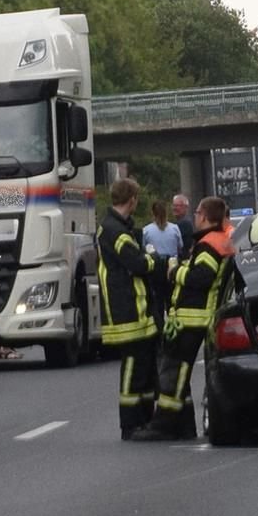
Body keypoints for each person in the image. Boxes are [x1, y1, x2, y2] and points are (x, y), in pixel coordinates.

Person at [131, 196, 234, 441]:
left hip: (193, 317)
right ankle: (185, 426)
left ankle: (164, 424)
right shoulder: (219, 241)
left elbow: (202, 277)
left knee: (172, 370)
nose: (195, 216)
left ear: (206, 217)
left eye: (198, 212)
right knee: (181, 375)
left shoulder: (209, 244)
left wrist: (176, 271)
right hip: (198, 317)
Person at [96, 177, 166, 440]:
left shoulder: (115, 226)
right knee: (134, 368)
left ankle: (145, 419)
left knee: (145, 367)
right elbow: (136, 263)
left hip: (135, 309)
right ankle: (130, 423)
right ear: (133, 199)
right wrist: (156, 262)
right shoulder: (115, 231)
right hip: (127, 310)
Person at [142, 200, 182, 333]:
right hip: (172, 265)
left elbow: (144, 248)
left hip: (156, 266)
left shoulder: (146, 230)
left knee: (158, 301)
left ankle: (160, 331)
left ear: (152, 213)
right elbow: (180, 246)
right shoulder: (175, 228)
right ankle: (174, 329)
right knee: (172, 300)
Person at [171, 194, 195, 259]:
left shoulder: (185, 223)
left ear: (185, 207)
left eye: (177, 206)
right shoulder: (176, 223)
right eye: (173, 205)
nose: (174, 208)